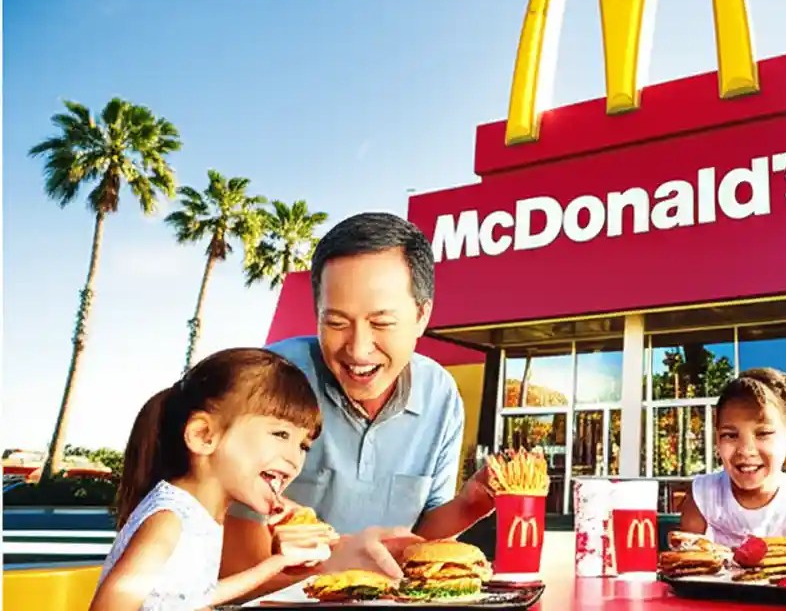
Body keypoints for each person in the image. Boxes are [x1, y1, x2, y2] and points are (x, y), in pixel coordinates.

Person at [220, 212, 495, 595]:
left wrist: (469, 505)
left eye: (381, 323)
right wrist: (333, 564)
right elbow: (232, 573)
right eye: (336, 323)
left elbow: (416, 540)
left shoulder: (441, 395)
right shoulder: (270, 383)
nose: (358, 350)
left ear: (421, 315)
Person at [90, 348, 337, 611]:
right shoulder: (169, 520)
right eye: (280, 434)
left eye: (303, 446)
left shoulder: (201, 517)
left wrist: (279, 562)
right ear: (204, 435)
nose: (295, 459)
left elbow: (196, 597)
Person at [680, 368, 786, 551]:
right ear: (717, 439)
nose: (746, 451)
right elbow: (686, 561)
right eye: (730, 435)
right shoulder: (703, 495)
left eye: (763, 434)